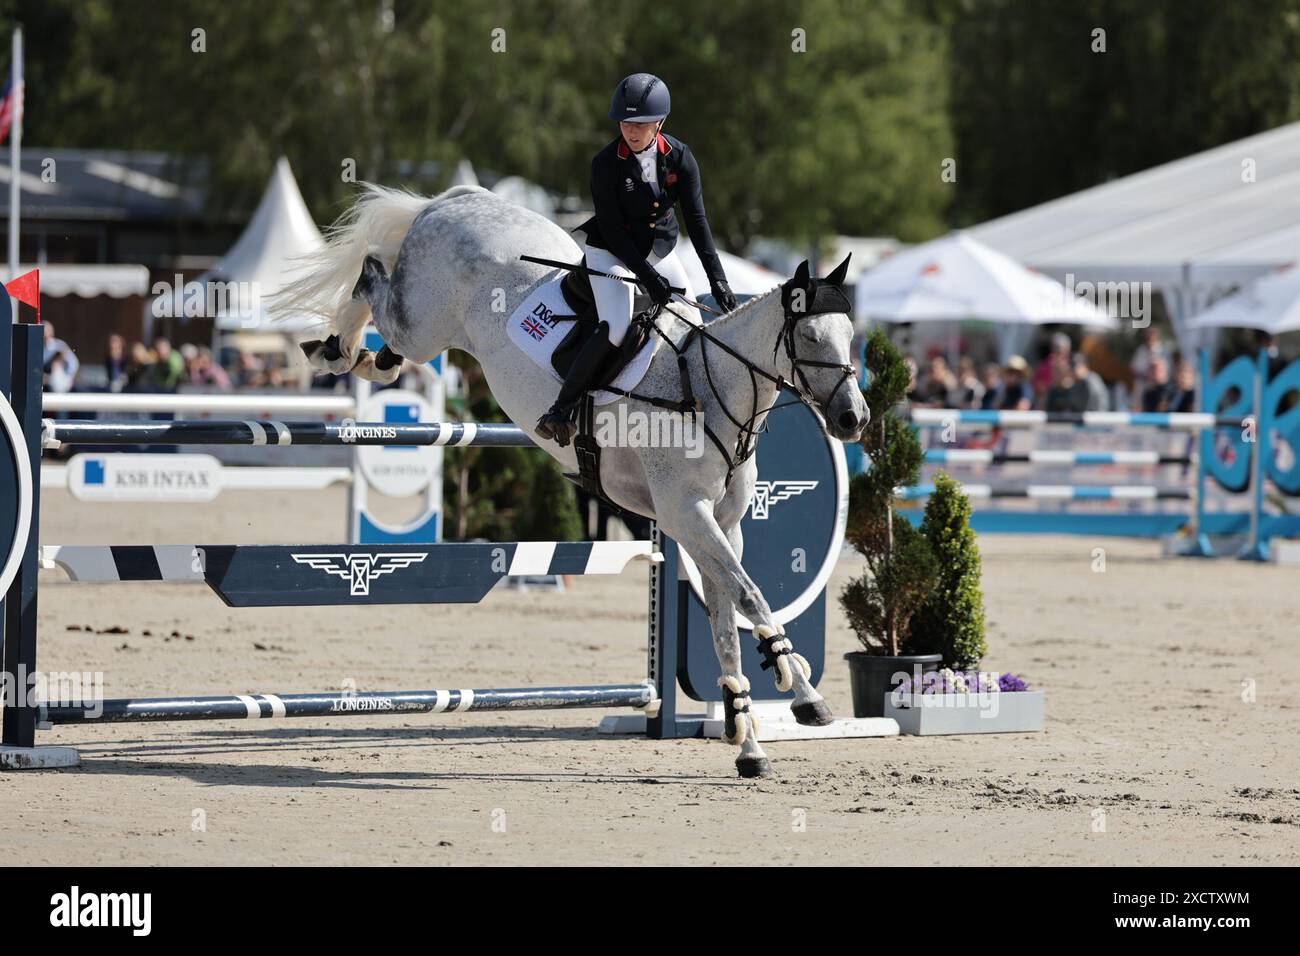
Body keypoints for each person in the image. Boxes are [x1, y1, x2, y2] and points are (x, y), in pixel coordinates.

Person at [536, 73, 734, 445]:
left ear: (660, 123)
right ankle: (561, 410)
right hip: (609, 250)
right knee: (616, 323)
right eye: (625, 122)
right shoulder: (605, 164)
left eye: (640, 124)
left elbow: (698, 221)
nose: (631, 130)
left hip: (656, 248)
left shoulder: (681, 158)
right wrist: (648, 278)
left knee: (689, 314)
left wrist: (717, 279)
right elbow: (612, 231)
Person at [43, 322, 80, 393]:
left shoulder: (59, 346)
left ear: (52, 332)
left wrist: (68, 377)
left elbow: (73, 363)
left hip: (59, 381)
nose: (45, 334)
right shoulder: (36, 347)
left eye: (47, 331)